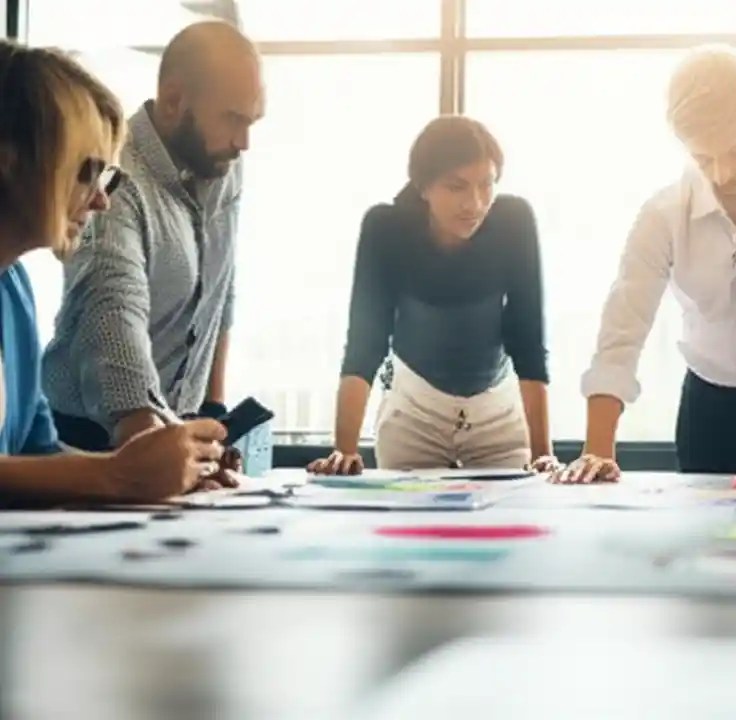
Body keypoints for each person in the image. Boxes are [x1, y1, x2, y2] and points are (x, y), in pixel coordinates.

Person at [554, 46, 736, 484]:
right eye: (702, 159)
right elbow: (621, 334)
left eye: (735, 152)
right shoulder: (662, 213)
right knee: (707, 550)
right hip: (710, 410)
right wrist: (597, 451)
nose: (721, 175)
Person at [0, 40, 228, 504]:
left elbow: (36, 455)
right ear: (9, 159)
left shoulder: (14, 288)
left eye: (109, 178)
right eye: (88, 172)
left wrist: (157, 470)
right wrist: (116, 477)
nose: (102, 199)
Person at [41, 21, 263, 461]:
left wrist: (213, 413)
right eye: (233, 119)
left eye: (252, 121)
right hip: (96, 430)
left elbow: (222, 288)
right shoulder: (113, 179)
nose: (244, 142)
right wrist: (144, 434)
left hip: (174, 424)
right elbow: (113, 306)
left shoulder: (223, 162)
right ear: (174, 99)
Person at [307, 117, 557, 475]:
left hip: (497, 414)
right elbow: (365, 344)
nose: (475, 203)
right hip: (413, 414)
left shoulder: (514, 221)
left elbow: (529, 341)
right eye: (456, 187)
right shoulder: (385, 228)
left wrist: (542, 454)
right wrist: (343, 451)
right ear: (423, 186)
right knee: (408, 526)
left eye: (486, 185)